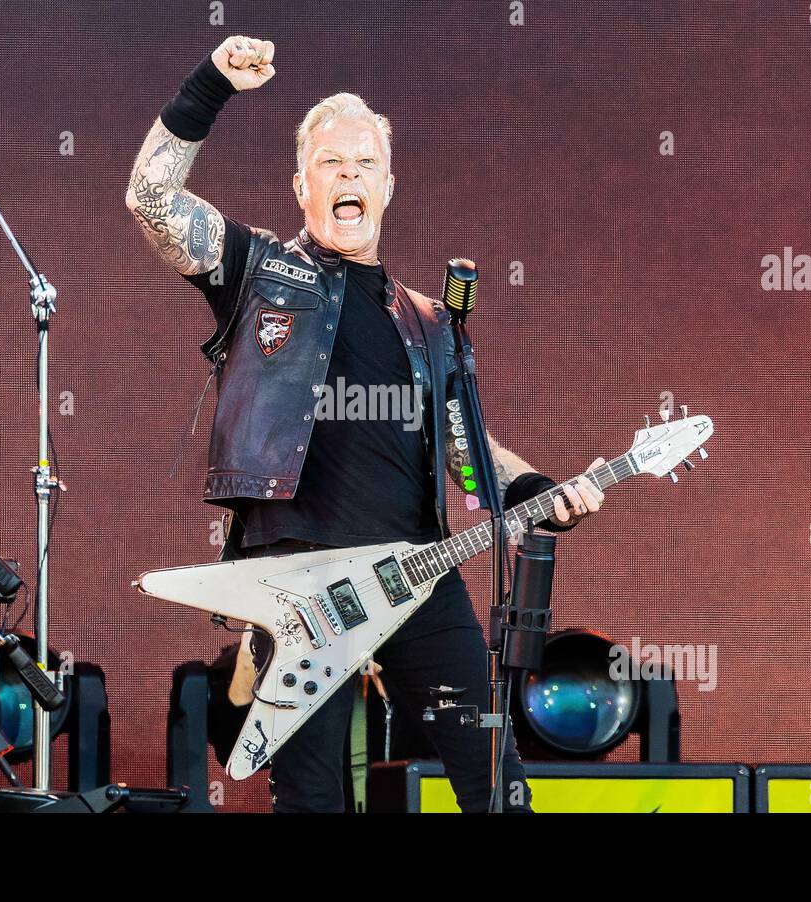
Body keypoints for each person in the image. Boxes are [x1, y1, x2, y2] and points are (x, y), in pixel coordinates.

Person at [126, 36, 604, 812]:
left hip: (418, 575)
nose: (349, 174)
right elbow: (151, 201)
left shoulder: (429, 321)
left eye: (364, 163)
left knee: (496, 778)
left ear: (387, 186)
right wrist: (208, 85)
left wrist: (539, 488)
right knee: (313, 797)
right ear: (301, 187)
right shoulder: (259, 273)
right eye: (330, 163)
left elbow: (466, 452)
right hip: (303, 583)